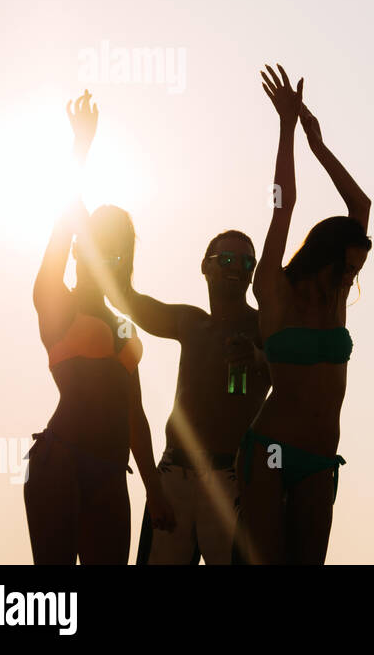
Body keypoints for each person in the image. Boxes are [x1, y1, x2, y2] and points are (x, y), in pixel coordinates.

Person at [233, 65, 372, 565]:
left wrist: (319, 143)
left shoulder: (337, 296)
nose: (350, 279)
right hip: (270, 448)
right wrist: (287, 130)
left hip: (319, 457)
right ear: (326, 255)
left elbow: (361, 203)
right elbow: (282, 207)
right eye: (347, 267)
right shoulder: (276, 289)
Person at [28, 90, 174, 563]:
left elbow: (136, 416)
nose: (109, 258)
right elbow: (62, 219)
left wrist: (155, 489)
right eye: (99, 246)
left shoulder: (125, 327)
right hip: (61, 461)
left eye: (119, 252)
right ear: (77, 249)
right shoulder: (56, 302)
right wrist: (81, 147)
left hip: (112, 472)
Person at [108, 228, 270, 564]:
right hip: (174, 474)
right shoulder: (191, 322)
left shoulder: (265, 327)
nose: (236, 267)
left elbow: (296, 371)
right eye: (226, 259)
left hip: (232, 479)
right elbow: (125, 298)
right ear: (205, 267)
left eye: (246, 262)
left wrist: (257, 358)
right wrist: (113, 241)